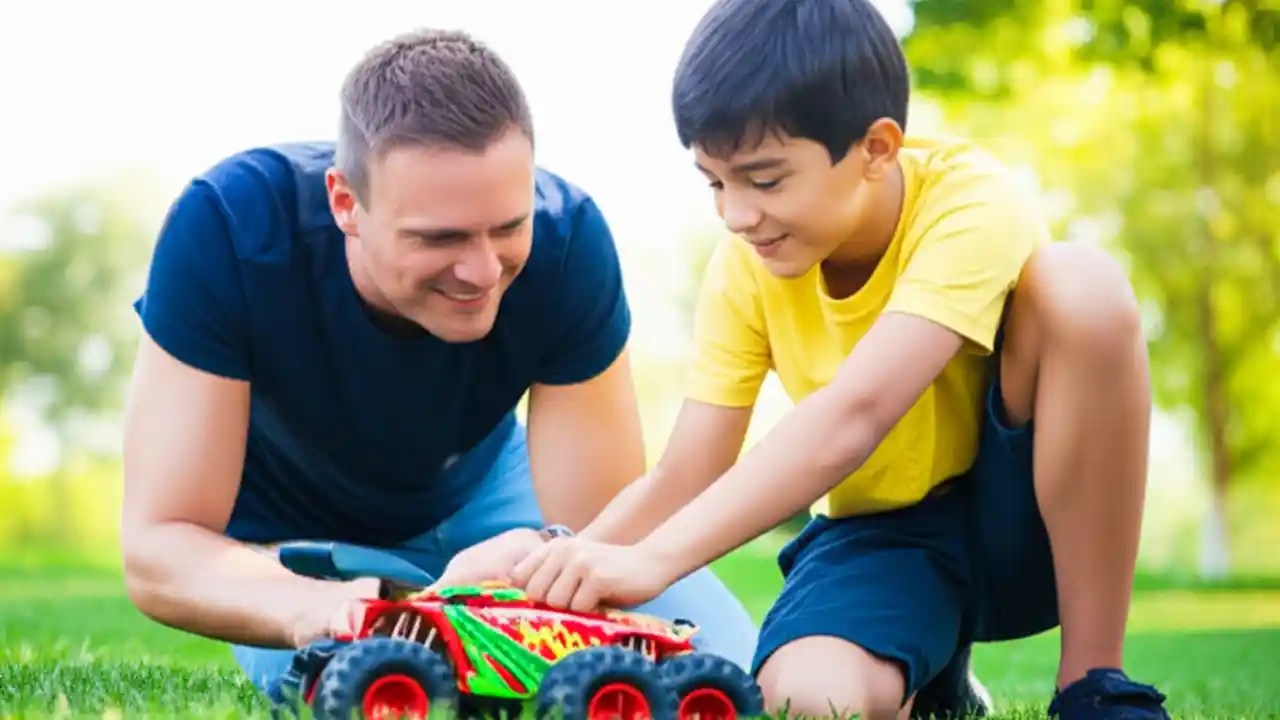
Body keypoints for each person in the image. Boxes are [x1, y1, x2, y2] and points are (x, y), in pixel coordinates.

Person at [502, 1, 1173, 719]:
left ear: (877, 150)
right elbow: (687, 469)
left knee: (1083, 285)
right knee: (806, 700)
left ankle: (1093, 685)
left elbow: (859, 412)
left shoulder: (971, 203)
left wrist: (653, 562)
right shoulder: (744, 267)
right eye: (714, 183)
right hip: (886, 538)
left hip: (1031, 517)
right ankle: (930, 675)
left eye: (764, 180)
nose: (735, 215)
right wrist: (553, 567)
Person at [118, 27, 756, 696]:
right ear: (346, 203)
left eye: (509, 227)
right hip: (301, 549)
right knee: (380, 685)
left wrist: (532, 562)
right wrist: (348, 611)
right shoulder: (227, 227)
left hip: (493, 504)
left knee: (715, 668)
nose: (483, 270)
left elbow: (598, 539)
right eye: (439, 238)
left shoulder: (568, 238)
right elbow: (162, 548)